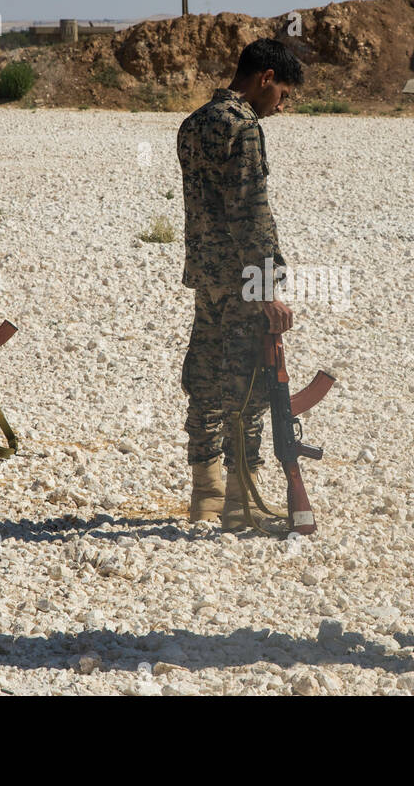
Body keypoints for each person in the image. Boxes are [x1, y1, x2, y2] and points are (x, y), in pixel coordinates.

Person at [177, 38, 303, 528]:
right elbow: (251, 212)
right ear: (265, 78)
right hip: (243, 280)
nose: (282, 104)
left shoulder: (193, 124)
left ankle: (204, 492)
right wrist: (268, 286)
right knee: (247, 386)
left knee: (204, 380)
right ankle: (240, 501)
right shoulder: (242, 126)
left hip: (206, 275)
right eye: (283, 93)